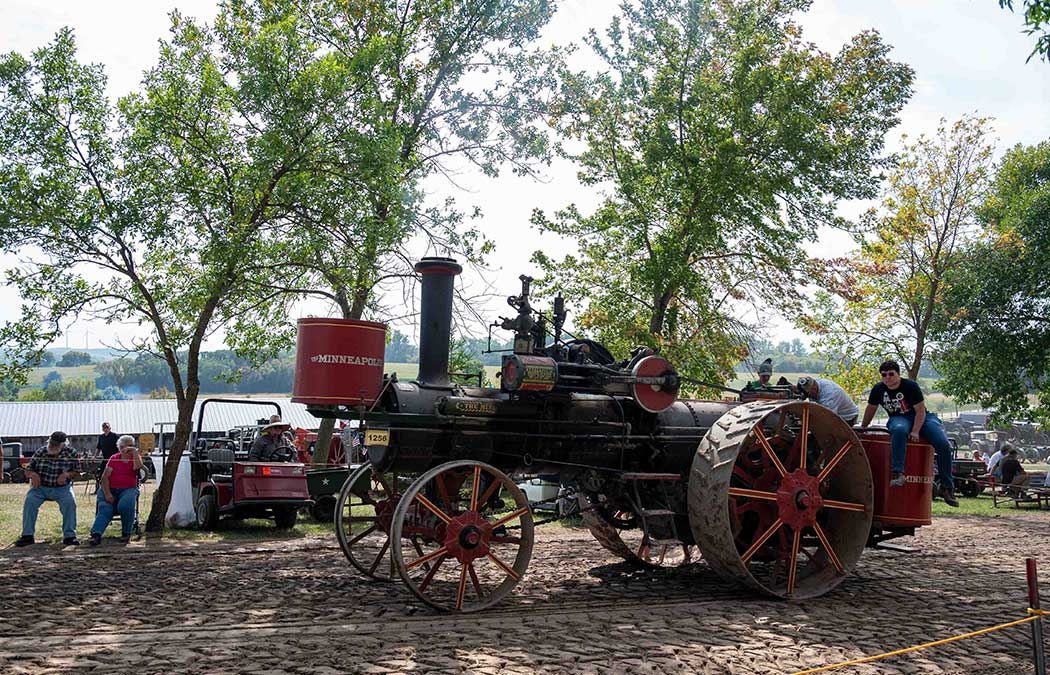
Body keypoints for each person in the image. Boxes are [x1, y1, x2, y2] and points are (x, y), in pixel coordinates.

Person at [861, 360, 959, 507]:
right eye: (884, 375)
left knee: (943, 444)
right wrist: (863, 428)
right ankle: (898, 473)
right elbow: (871, 408)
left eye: (891, 374)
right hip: (899, 418)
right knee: (899, 429)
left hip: (923, 418)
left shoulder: (910, 386)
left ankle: (947, 487)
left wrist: (915, 431)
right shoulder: (878, 389)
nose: (887, 378)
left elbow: (920, 411)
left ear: (898, 374)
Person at [14, 431, 81, 546]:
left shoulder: (72, 453)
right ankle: (27, 535)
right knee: (29, 501)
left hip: (62, 488)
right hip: (40, 488)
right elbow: (28, 469)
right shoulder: (41, 451)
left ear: (63, 445)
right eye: (51, 443)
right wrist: (32, 475)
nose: (52, 446)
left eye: (56, 444)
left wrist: (66, 475)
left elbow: (77, 472)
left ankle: (70, 536)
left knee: (70, 503)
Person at [90, 435, 143, 545]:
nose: (130, 448)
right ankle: (96, 534)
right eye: (127, 446)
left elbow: (138, 467)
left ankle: (126, 533)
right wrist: (107, 494)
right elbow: (105, 478)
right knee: (105, 509)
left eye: (132, 445)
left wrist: (134, 452)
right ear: (120, 447)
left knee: (125, 505)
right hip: (110, 488)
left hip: (128, 489)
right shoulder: (114, 458)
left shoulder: (135, 457)